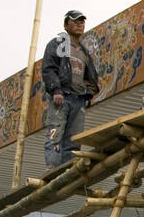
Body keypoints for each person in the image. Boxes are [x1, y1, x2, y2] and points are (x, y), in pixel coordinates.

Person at [41, 10, 100, 170]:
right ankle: (52, 167)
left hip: (78, 99)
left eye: (82, 22)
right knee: (55, 133)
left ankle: (68, 169)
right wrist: (56, 90)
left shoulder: (83, 51)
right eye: (75, 22)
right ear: (66, 25)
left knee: (74, 139)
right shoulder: (57, 44)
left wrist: (88, 94)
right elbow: (49, 69)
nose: (79, 24)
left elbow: (91, 76)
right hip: (62, 97)